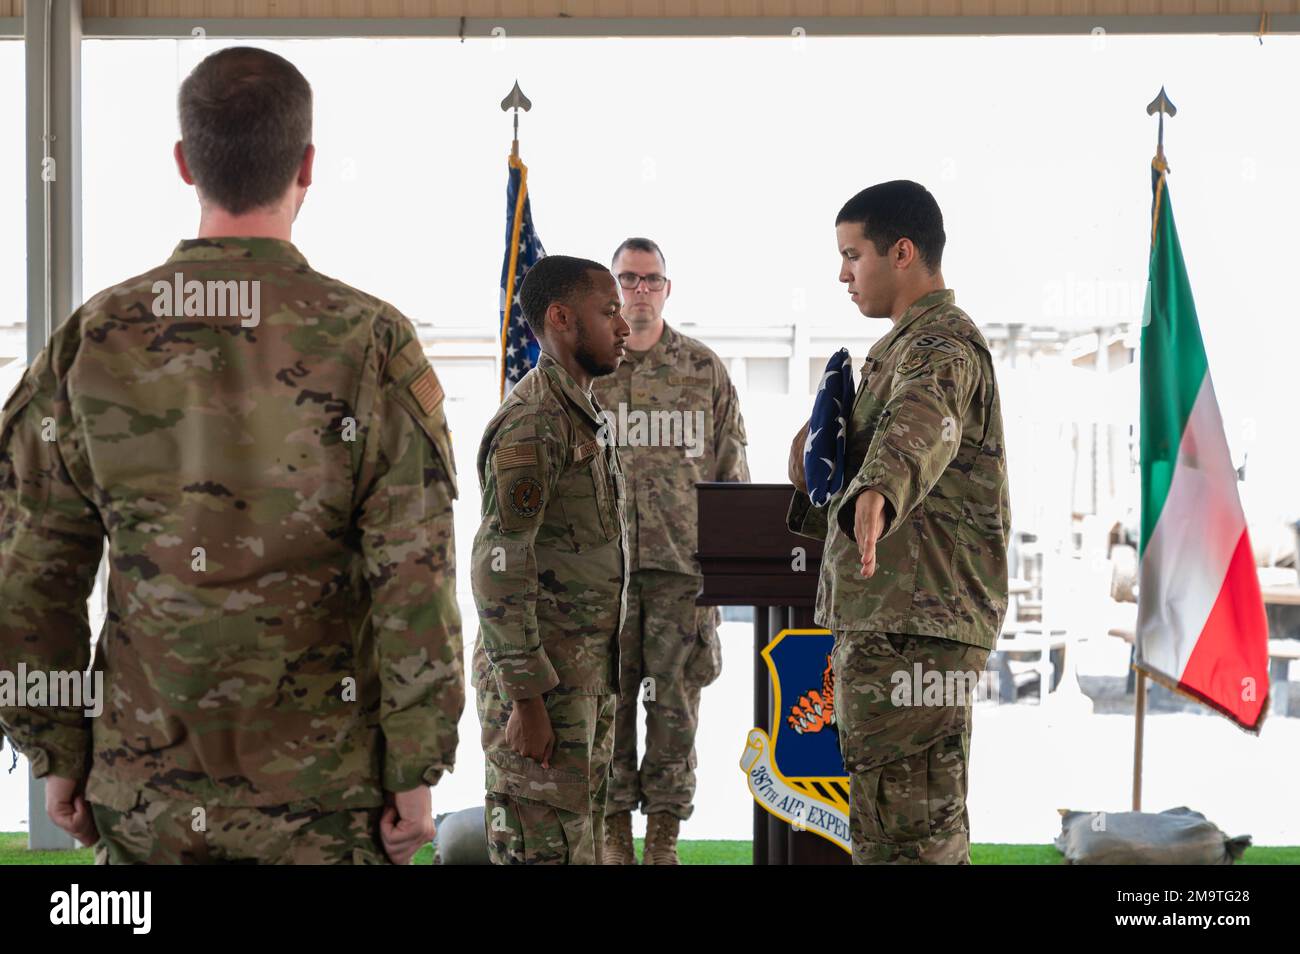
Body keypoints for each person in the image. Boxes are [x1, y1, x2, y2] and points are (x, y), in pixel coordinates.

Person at [0, 47, 462, 865]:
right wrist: (415, 769)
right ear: (308, 165)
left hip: (146, 798)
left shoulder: (93, 340)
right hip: (325, 800)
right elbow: (413, 576)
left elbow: (33, 570)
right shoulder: (371, 341)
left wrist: (56, 750)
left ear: (184, 162)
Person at [786, 180, 1010, 864]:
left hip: (915, 626)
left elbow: (921, 424)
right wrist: (818, 443)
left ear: (903, 252)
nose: (843, 273)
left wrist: (879, 488)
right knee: (897, 832)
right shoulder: (898, 349)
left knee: (910, 840)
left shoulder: (941, 346)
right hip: (898, 620)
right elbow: (845, 459)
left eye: (854, 255)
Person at [592, 237, 749, 865]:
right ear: (612, 289)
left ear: (667, 288)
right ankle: (610, 837)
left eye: (650, 280)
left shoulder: (703, 371)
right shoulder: (591, 367)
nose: (639, 291)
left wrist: (728, 574)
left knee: (675, 709)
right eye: (627, 280)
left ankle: (662, 839)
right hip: (603, 576)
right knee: (609, 703)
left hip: (683, 576)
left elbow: (732, 476)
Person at [471, 254, 631, 865]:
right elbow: (496, 568)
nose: (623, 326)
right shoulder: (535, 423)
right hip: (543, 691)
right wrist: (527, 700)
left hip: (580, 682)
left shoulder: (579, 414)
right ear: (562, 319)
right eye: (608, 311)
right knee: (544, 854)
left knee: (575, 849)